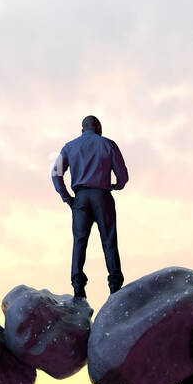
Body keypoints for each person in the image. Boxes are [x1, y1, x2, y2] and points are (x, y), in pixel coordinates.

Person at [51, 115, 127, 301]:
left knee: (79, 242)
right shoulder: (109, 144)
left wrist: (67, 197)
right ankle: (115, 288)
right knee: (109, 242)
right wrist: (115, 185)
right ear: (98, 127)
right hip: (102, 196)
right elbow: (123, 176)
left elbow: (55, 174)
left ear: (82, 129)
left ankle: (78, 288)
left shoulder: (69, 147)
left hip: (81, 199)